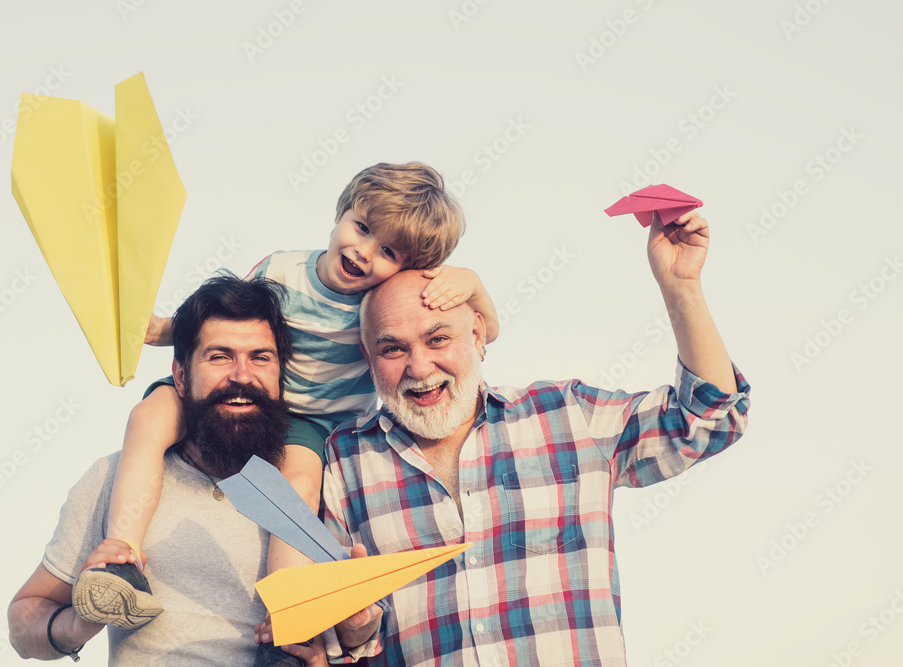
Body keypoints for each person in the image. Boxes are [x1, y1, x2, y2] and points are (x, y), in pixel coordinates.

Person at [72, 162, 500, 665]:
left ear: (405, 268)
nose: (364, 253)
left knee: (297, 488)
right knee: (149, 416)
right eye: (361, 228)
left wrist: (470, 283)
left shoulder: (381, 304)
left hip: (309, 422)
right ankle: (121, 556)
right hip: (237, 391)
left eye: (388, 252)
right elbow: (226, 317)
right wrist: (166, 328)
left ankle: (286, 618)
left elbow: (485, 330)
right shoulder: (280, 270)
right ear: (341, 212)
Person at [318, 212, 752, 665]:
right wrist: (354, 629)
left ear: (477, 335)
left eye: (437, 339)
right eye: (393, 349)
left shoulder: (567, 414)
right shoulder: (341, 462)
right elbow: (336, 641)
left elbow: (710, 422)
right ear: (368, 355)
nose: (420, 368)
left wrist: (682, 287)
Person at [8, 274, 341, 665]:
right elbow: (23, 621)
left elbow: (361, 637)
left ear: (281, 377)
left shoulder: (323, 489)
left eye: (260, 358)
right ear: (180, 376)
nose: (241, 375)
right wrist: (77, 625)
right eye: (220, 357)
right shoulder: (115, 479)